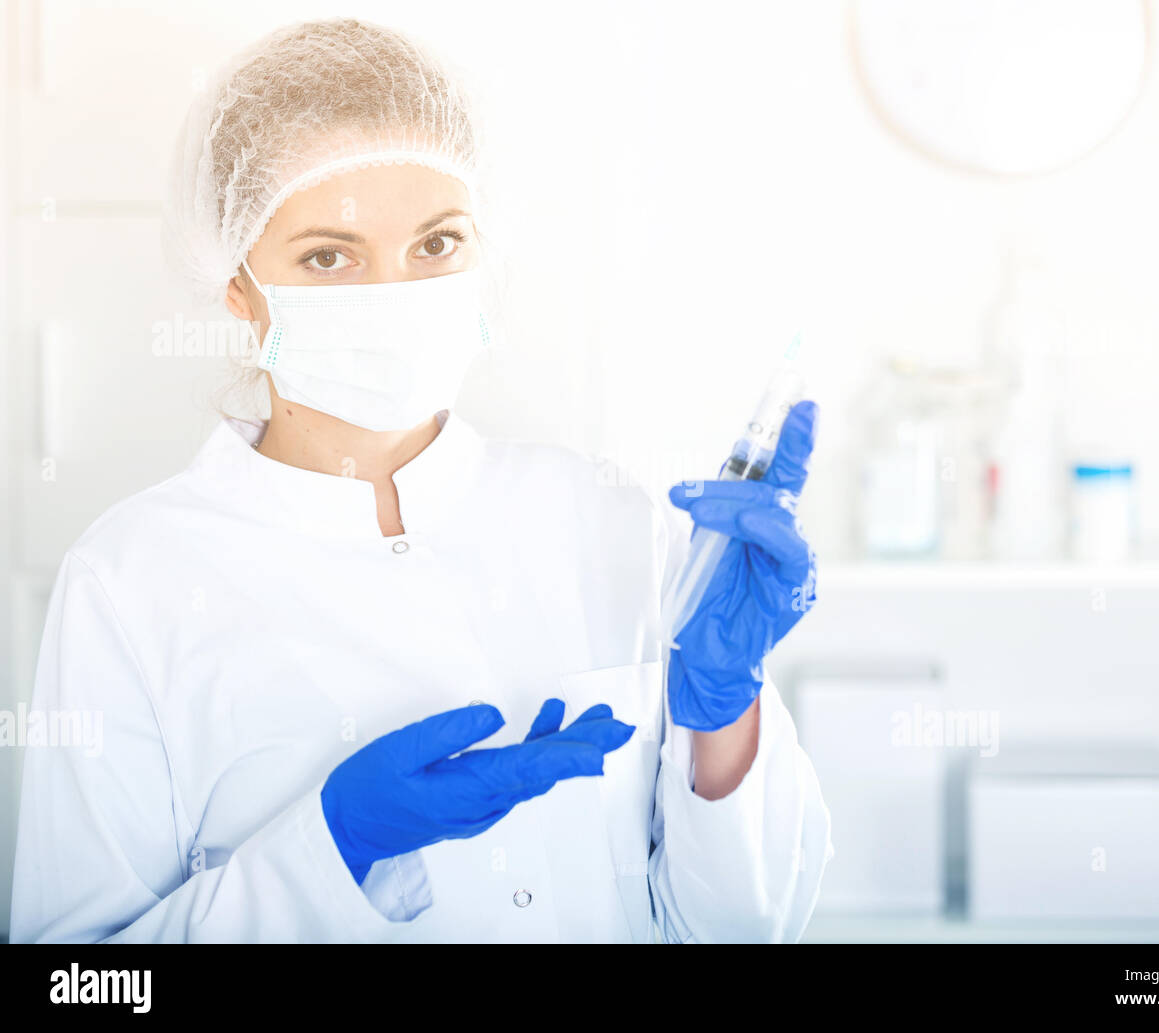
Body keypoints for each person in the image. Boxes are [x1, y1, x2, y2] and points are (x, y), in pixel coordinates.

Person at [9, 16, 831, 943]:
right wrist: (326, 854)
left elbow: (737, 932)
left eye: (436, 244)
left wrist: (725, 718)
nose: (393, 293)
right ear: (238, 287)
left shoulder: (614, 521)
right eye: (329, 255)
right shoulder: (132, 582)